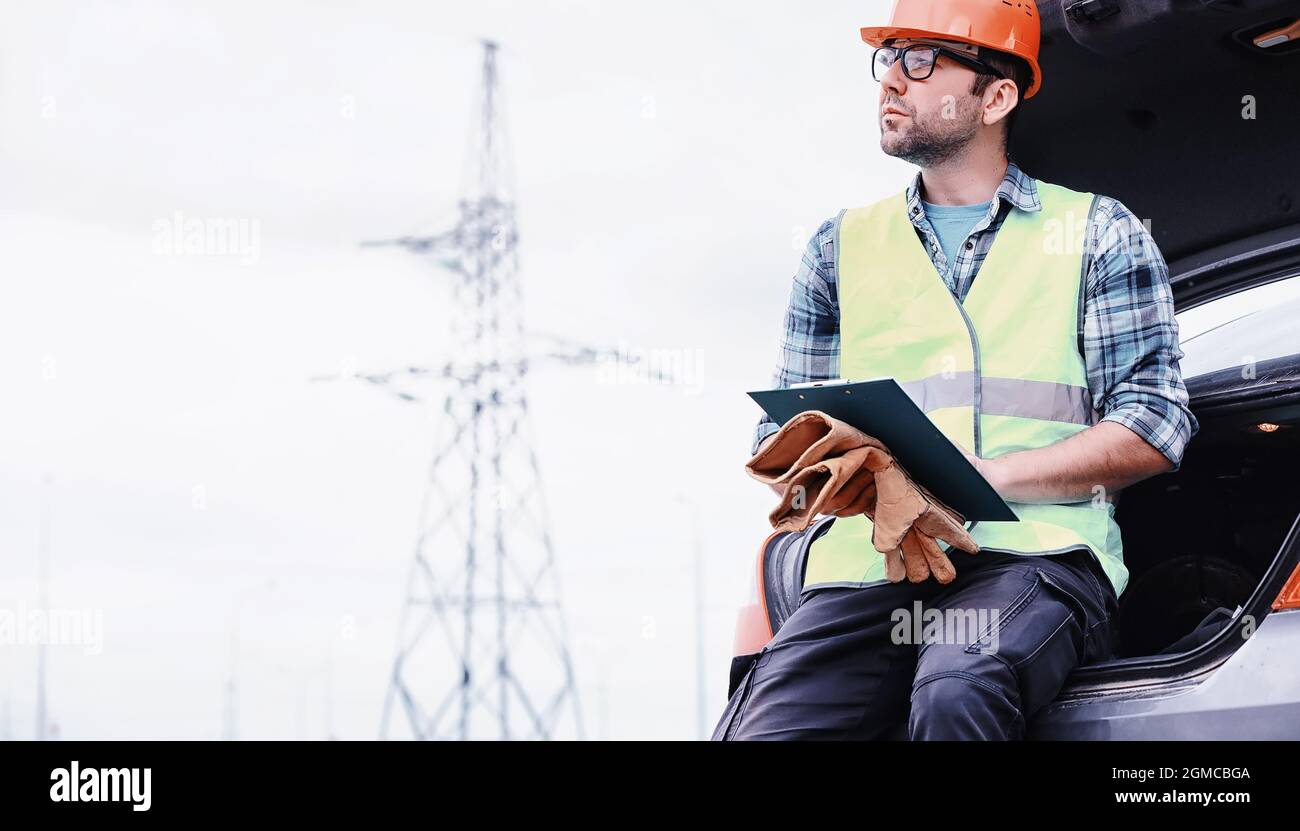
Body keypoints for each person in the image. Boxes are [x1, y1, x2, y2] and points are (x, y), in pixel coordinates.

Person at [713, 0, 1198, 740]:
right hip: (869, 569)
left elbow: (1154, 424)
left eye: (920, 60)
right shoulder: (837, 249)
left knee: (957, 686)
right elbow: (783, 434)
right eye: (889, 58)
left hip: (1036, 556)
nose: (890, 83)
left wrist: (984, 476)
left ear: (996, 95)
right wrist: (832, 468)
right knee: (765, 729)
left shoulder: (1098, 233)